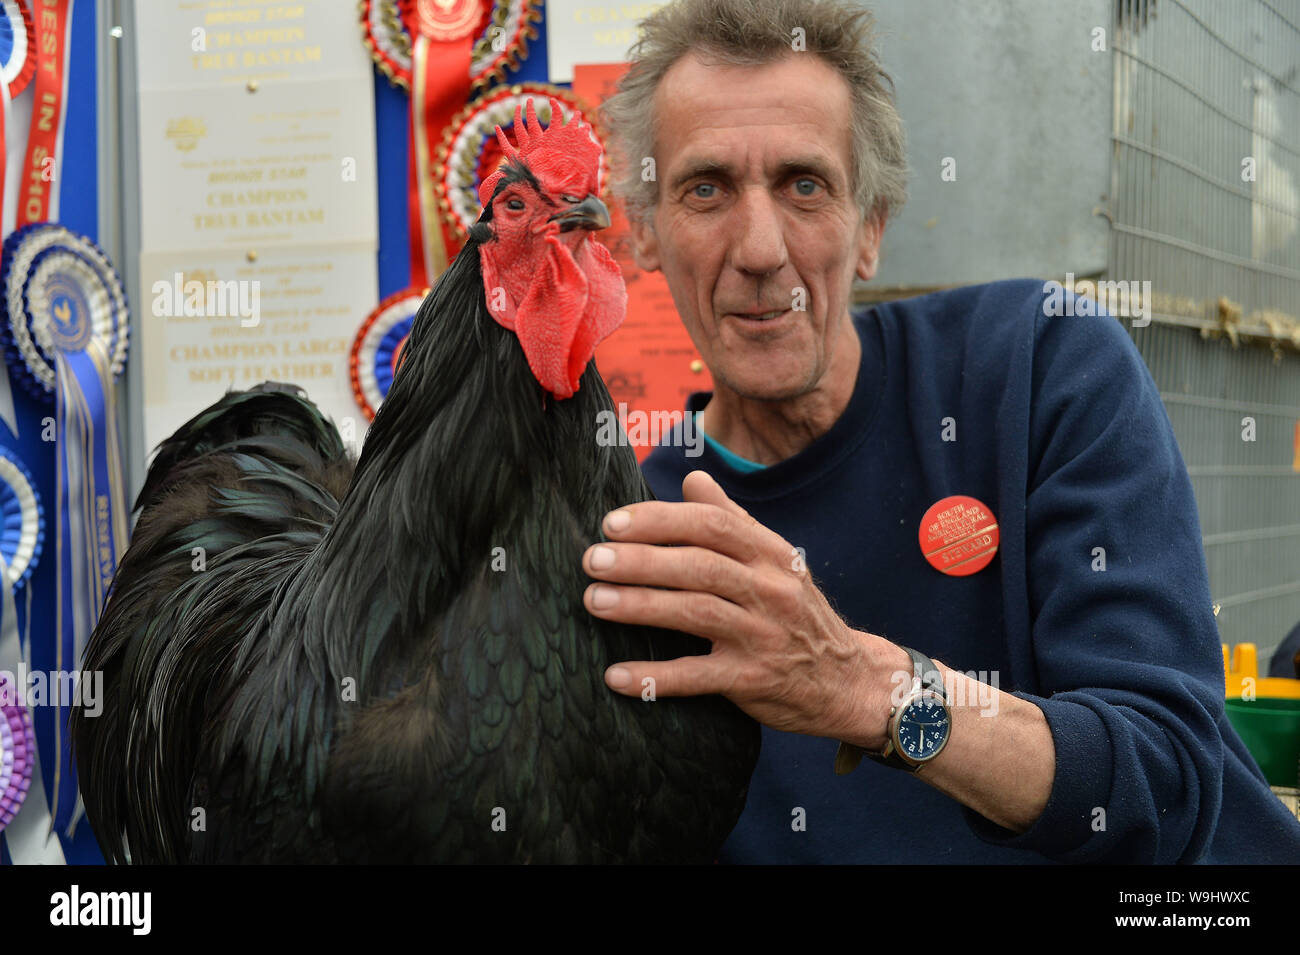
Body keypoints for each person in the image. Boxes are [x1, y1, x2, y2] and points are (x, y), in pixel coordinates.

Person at [582, 0, 1300, 862]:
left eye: (805, 184)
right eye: (706, 189)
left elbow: (1168, 783)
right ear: (648, 233)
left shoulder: (1039, 363)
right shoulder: (633, 541)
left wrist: (867, 687)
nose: (761, 247)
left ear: (873, 228)